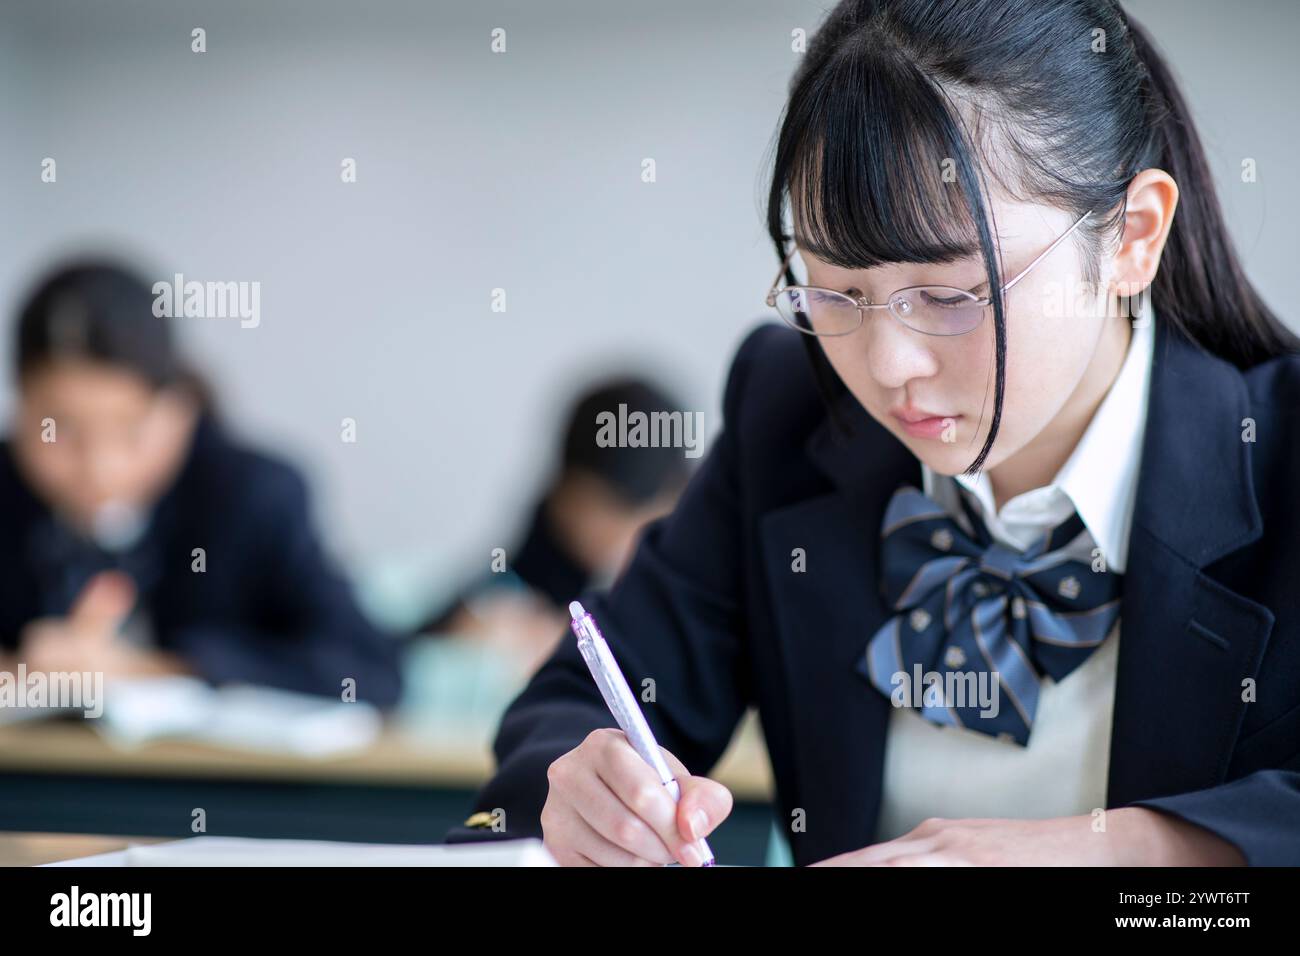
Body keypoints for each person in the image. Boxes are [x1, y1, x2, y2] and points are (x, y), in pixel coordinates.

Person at [445, 0, 1300, 865]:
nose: (888, 366)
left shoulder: (1287, 453)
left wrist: (1133, 853)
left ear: (1132, 235)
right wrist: (588, 786)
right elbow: (583, 699)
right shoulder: (790, 415)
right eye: (835, 291)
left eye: (950, 293)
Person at [0, 261, 402, 708]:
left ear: (179, 410)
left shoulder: (256, 495)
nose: (99, 467)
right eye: (61, 430)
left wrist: (150, 670)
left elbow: (370, 672)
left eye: (129, 430)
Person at [421, 379, 690, 677]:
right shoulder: (545, 541)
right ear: (563, 493)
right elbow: (449, 623)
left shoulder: (693, 568)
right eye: (592, 507)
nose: (606, 534)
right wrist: (475, 631)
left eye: (628, 516)